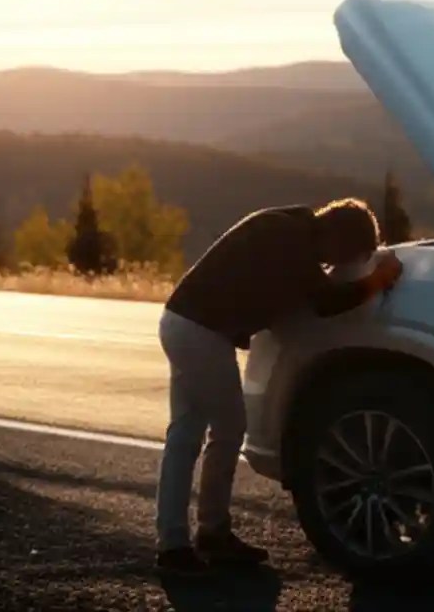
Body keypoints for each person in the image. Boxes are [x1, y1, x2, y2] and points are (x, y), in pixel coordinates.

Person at [154, 198, 404, 575]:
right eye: (342, 256)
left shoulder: (288, 226)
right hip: (200, 331)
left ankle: (186, 540)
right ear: (336, 236)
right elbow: (325, 302)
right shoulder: (291, 241)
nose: (332, 266)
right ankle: (200, 537)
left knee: (188, 433)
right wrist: (378, 279)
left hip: (185, 322)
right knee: (224, 429)